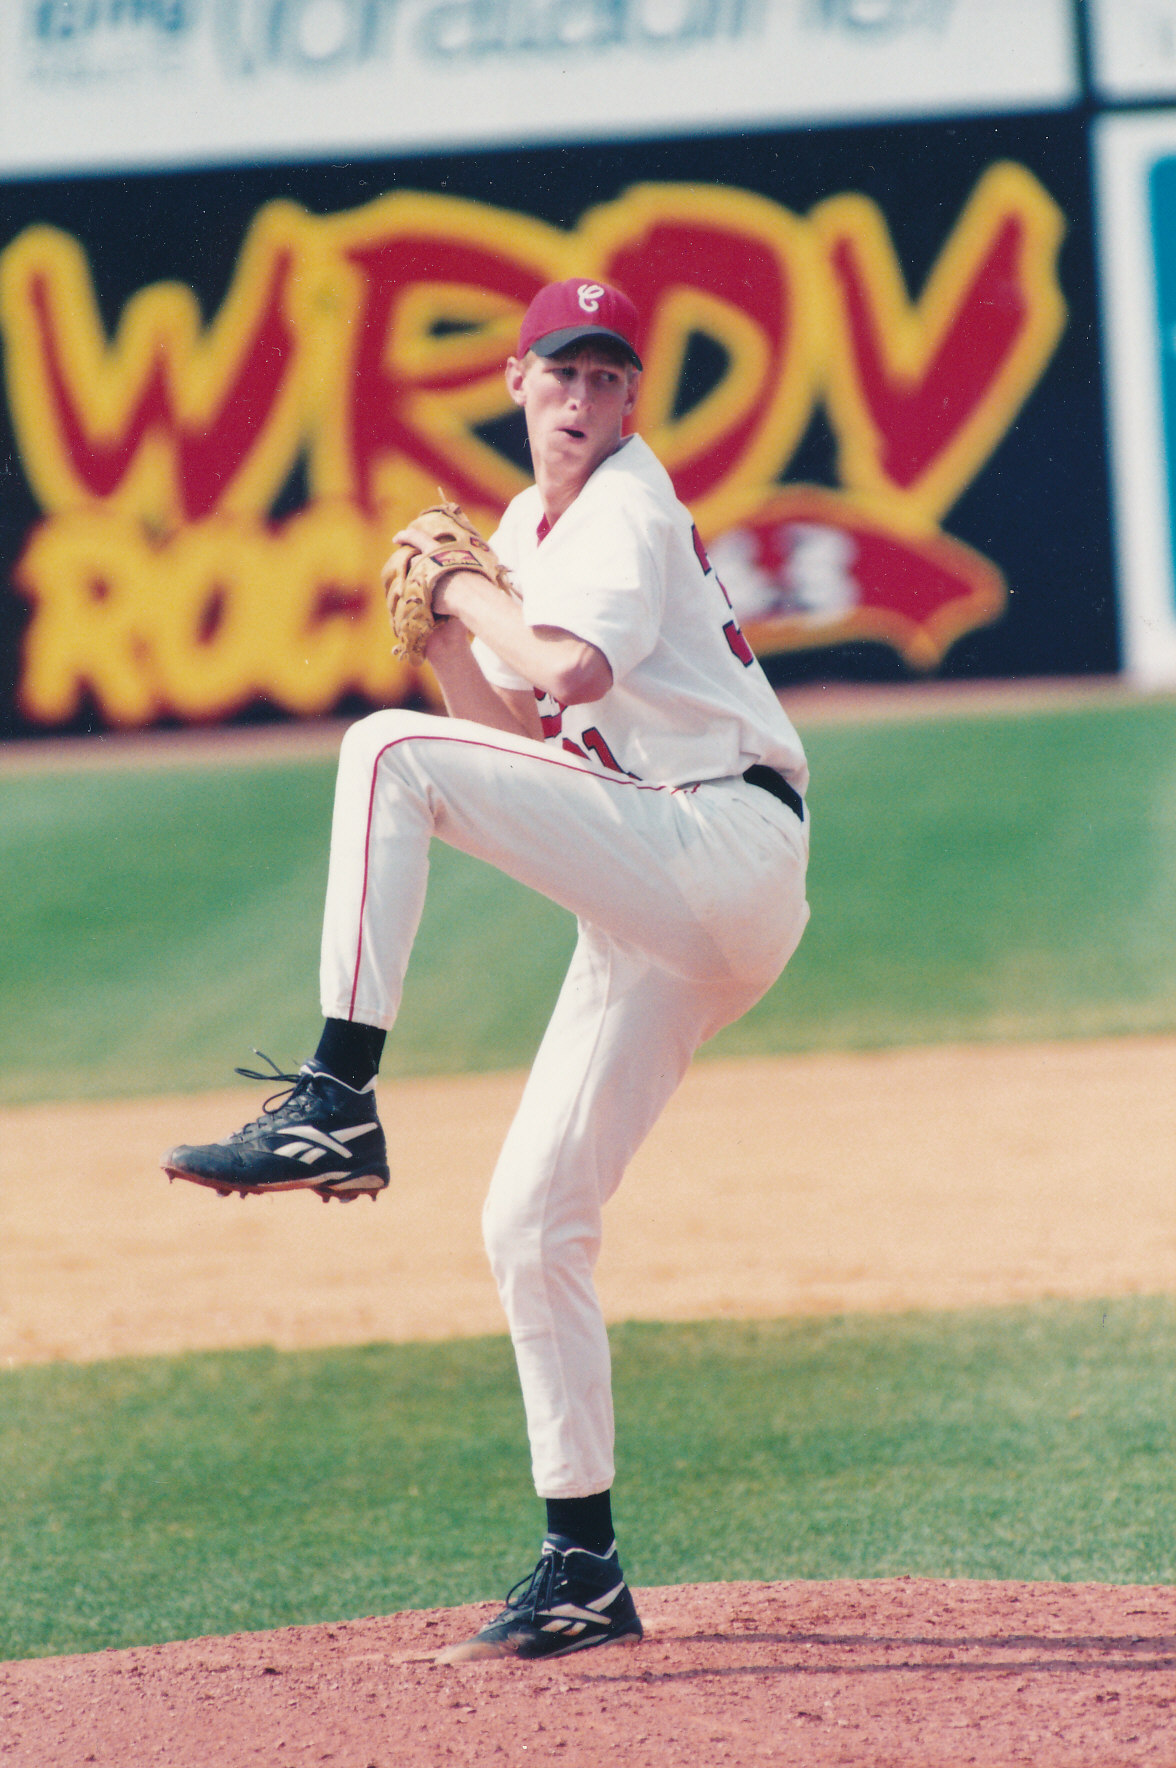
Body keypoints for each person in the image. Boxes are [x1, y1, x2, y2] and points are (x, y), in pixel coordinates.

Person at [163, 277, 811, 1663]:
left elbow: (573, 676)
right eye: (560, 374)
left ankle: (336, 1091)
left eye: (607, 377)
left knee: (380, 752)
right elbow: (515, 728)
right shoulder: (527, 526)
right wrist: (453, 630)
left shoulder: (629, 503)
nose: (582, 400)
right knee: (530, 1223)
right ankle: (583, 1565)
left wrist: (463, 584)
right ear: (516, 381)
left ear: (632, 400)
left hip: (721, 840)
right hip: (661, 899)